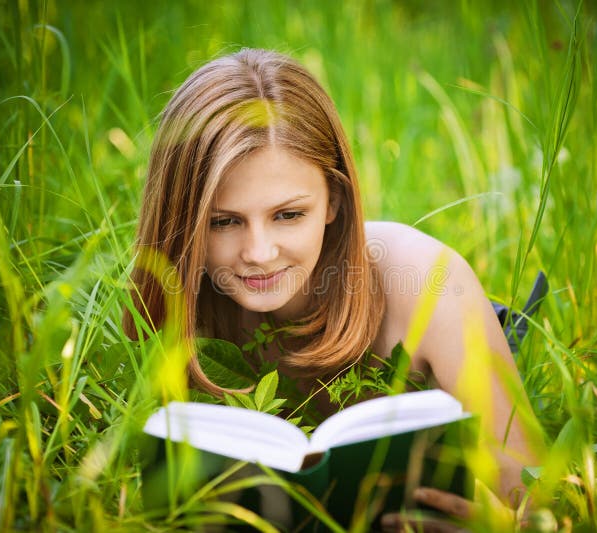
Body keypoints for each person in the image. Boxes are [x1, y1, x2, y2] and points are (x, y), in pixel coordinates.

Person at [124, 48, 542, 528]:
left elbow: (545, 498)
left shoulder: (427, 283)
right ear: (181, 221)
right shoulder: (175, 298)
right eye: (223, 222)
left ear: (334, 201)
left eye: (288, 214)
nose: (258, 252)